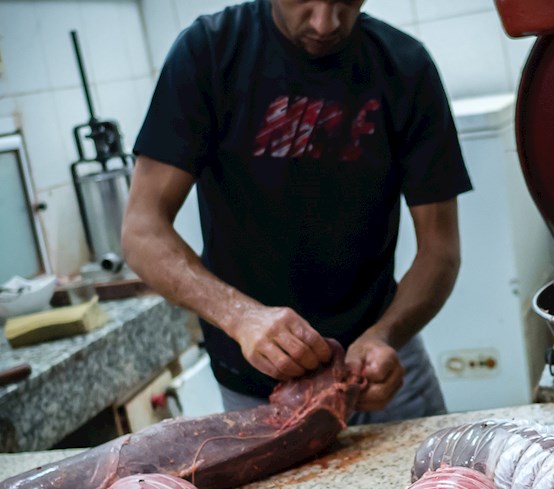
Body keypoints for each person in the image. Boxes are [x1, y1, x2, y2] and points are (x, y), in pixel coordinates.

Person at [121, 0, 471, 424]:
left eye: (346, 0)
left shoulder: (404, 66)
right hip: (257, 386)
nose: (326, 23)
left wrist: (384, 334)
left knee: (437, 487)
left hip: (380, 366)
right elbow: (142, 231)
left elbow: (440, 251)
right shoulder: (210, 52)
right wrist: (241, 316)